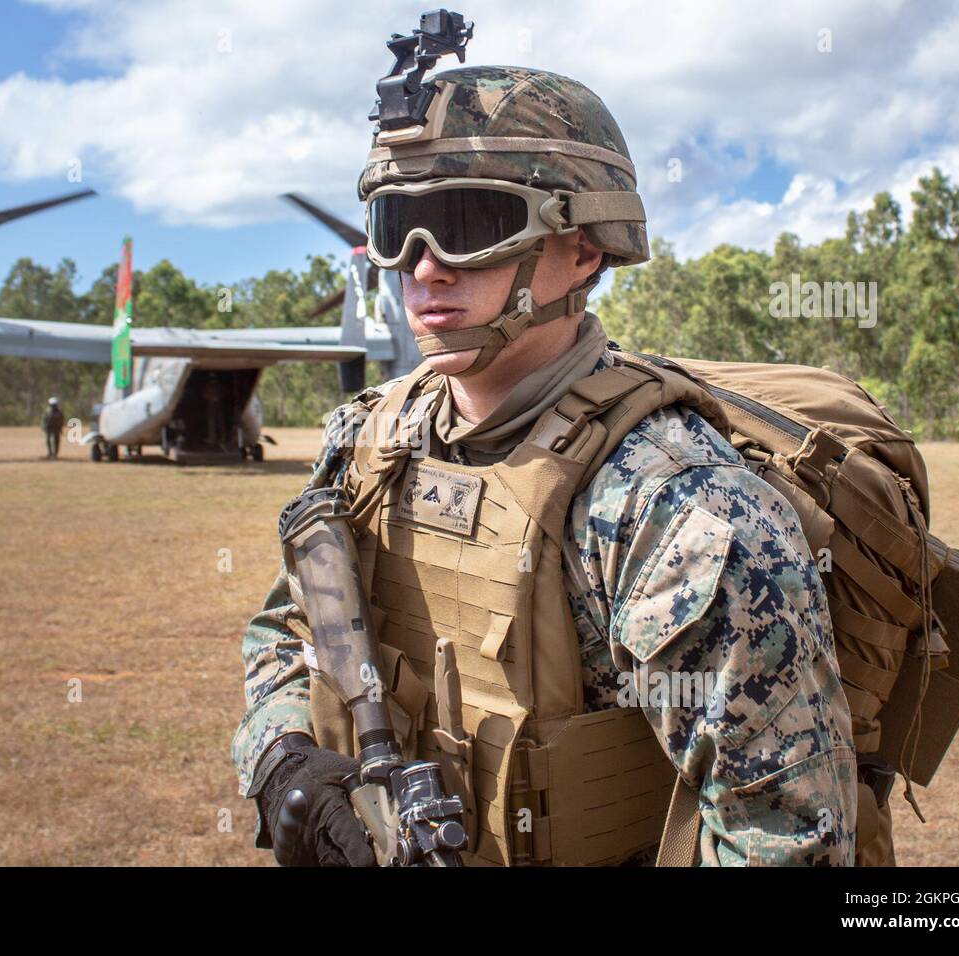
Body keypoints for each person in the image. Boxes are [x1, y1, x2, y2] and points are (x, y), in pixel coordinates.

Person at [232, 53, 856, 867]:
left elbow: (785, 837)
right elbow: (290, 627)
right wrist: (282, 759)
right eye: (397, 227)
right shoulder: (368, 440)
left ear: (584, 248)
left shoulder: (675, 506)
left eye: (468, 225)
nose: (424, 266)